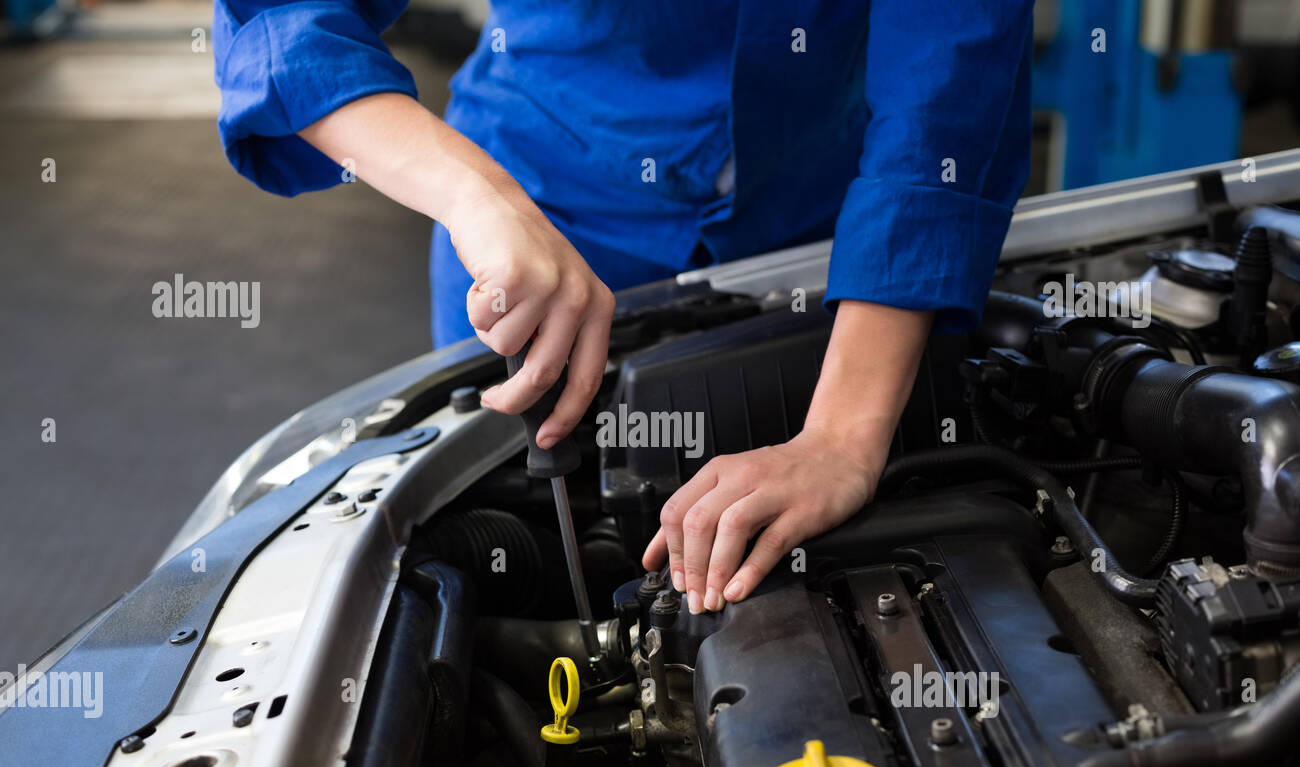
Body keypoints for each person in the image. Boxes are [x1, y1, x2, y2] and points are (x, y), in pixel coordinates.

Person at [213, 1, 1033, 614]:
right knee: (523, 570)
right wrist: (477, 197)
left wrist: (844, 438)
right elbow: (284, 16)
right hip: (543, 222)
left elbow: (951, 60)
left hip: (838, 245)